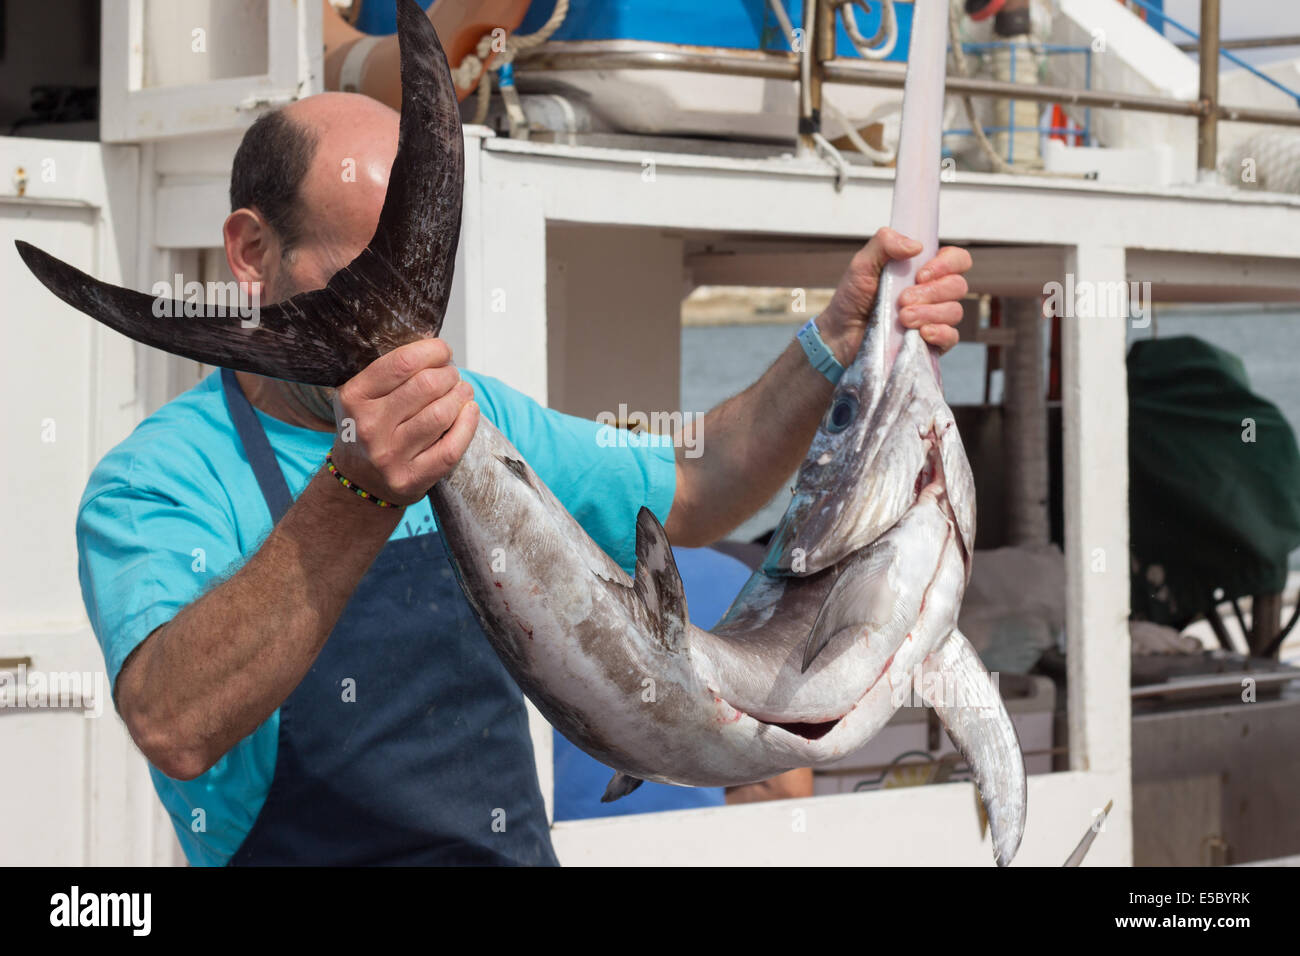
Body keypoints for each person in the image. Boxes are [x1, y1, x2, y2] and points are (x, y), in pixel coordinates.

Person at [76, 91, 971, 866]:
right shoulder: (160, 479)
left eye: (417, 276)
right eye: (358, 277)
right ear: (249, 250)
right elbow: (173, 724)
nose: (394, 325)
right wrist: (357, 491)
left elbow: (699, 485)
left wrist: (833, 344)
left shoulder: (481, 421)